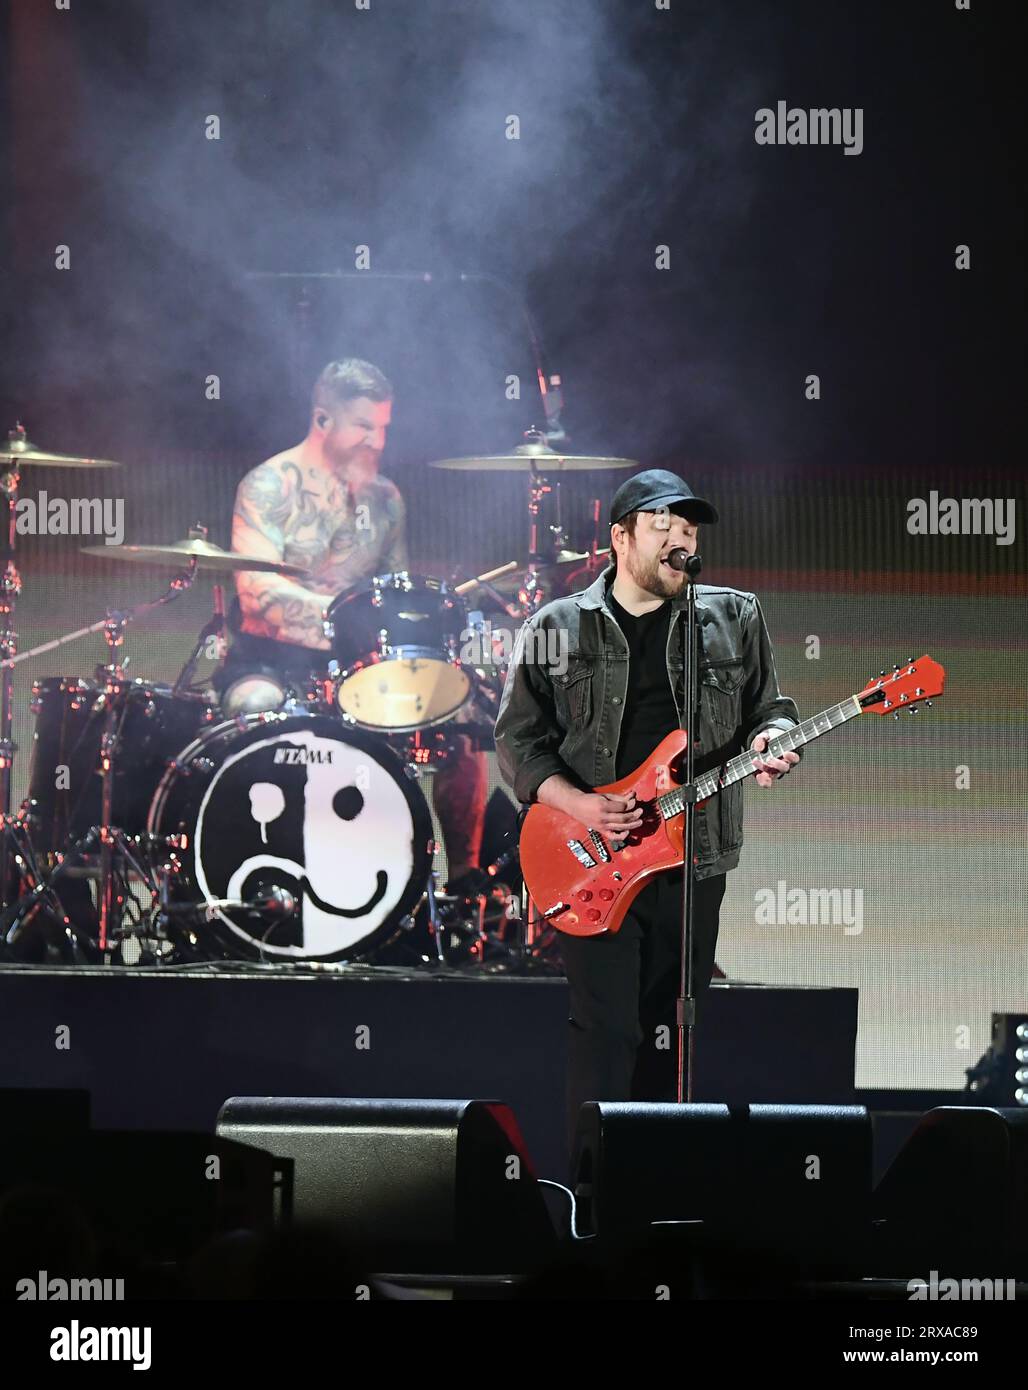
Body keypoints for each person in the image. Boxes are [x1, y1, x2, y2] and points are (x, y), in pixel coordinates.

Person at [494, 469, 801, 1156]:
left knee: (676, 1026)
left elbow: (770, 708)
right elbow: (517, 741)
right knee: (608, 1033)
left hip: (692, 856)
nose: (679, 537)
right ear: (620, 537)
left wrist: (772, 739)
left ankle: (662, 1195)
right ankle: (595, 1202)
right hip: (589, 856)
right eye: (662, 523)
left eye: (688, 528)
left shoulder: (734, 617)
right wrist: (582, 805)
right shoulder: (556, 626)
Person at [227, 357, 486, 887]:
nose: (377, 440)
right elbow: (256, 596)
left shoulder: (387, 500)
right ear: (323, 420)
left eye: (384, 428)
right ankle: (261, 880)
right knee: (254, 706)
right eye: (364, 426)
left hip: (363, 669)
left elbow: (395, 594)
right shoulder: (268, 486)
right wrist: (340, 623)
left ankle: (466, 886)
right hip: (272, 663)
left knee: (462, 719)